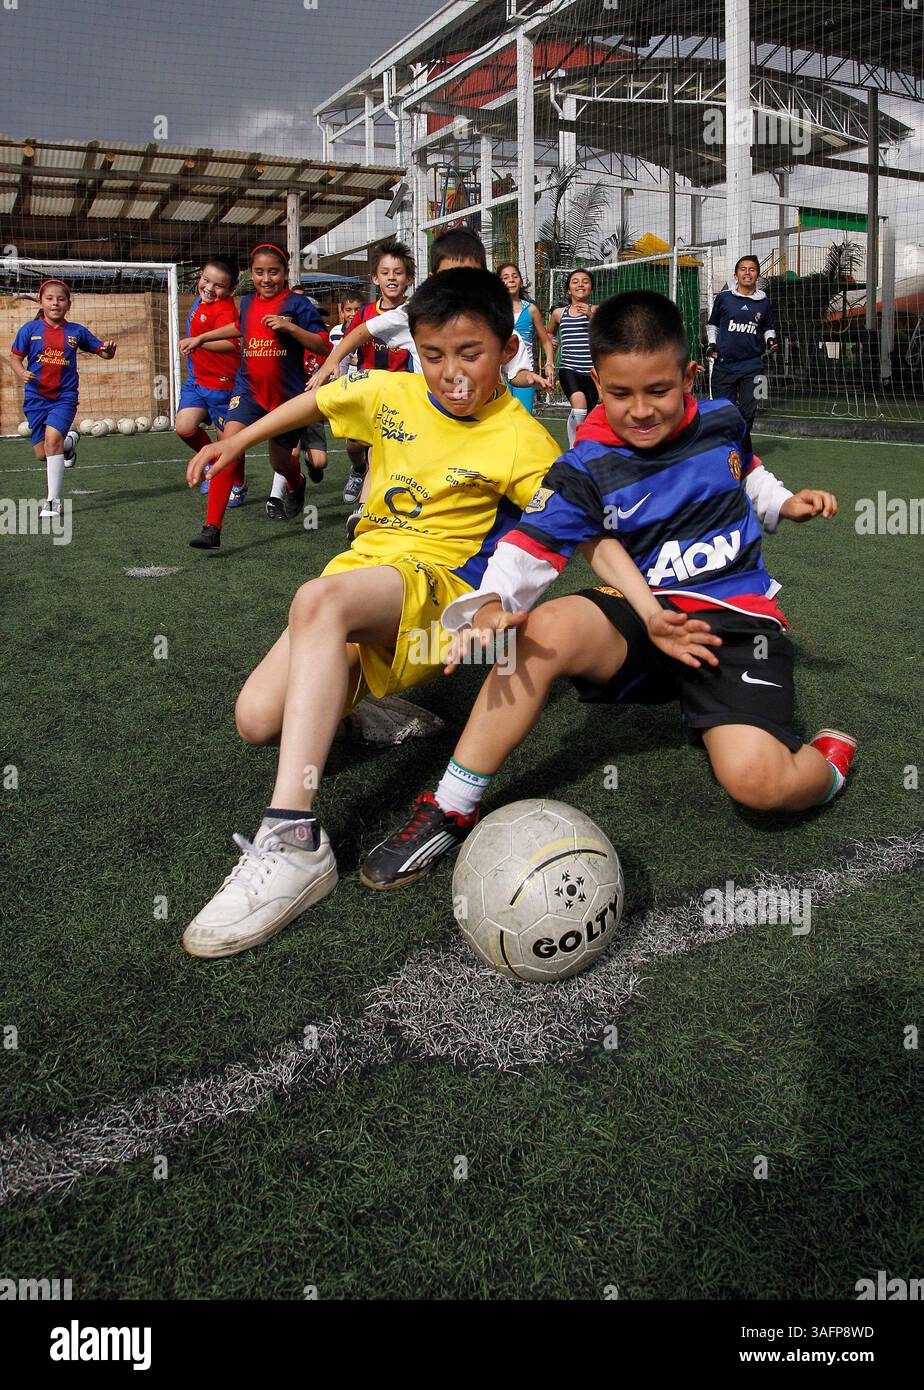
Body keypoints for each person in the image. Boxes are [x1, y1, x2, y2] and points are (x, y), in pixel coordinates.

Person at [361, 289, 856, 890]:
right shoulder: (586, 464)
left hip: (733, 624)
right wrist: (490, 606)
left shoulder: (723, 418)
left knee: (761, 784)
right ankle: (451, 803)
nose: (641, 410)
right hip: (642, 619)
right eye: (620, 393)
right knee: (540, 631)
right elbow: (530, 545)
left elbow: (744, 471)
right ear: (596, 380)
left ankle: (827, 764)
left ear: (689, 376)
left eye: (659, 391)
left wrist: (784, 503)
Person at [179, 268, 563, 958]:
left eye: (469, 354)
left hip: (439, 594)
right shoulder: (392, 392)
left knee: (317, 600)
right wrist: (236, 442)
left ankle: (293, 838)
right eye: (433, 355)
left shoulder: (524, 438)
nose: (449, 373)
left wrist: (504, 606)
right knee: (255, 720)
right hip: (364, 577)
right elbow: (318, 400)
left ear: (508, 350)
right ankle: (369, 707)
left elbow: (557, 526)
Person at [312, 229, 547, 538]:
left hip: (482, 419)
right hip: (430, 416)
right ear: (434, 276)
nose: (459, 286)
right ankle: (369, 510)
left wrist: (529, 377)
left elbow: (513, 365)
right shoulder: (418, 313)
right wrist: (331, 361)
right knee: (391, 451)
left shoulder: (491, 316)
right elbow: (362, 330)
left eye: (470, 276)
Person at [179, 243, 329, 546]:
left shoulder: (298, 306)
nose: (266, 278)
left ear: (285, 273)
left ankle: (296, 482)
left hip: (286, 399)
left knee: (280, 462)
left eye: (273, 272)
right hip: (247, 391)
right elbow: (238, 328)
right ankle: (212, 528)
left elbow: (324, 346)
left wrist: (291, 329)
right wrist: (202, 338)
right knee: (228, 445)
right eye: (260, 272)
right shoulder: (247, 302)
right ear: (252, 275)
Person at [9, 277, 116, 517]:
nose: (55, 303)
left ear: (68, 303)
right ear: (41, 302)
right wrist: (22, 371)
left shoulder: (76, 331)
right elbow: (14, 357)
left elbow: (102, 352)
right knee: (42, 453)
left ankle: (52, 502)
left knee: (51, 440)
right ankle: (69, 443)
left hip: (64, 397)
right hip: (35, 398)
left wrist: (107, 351)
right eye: (50, 299)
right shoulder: (29, 329)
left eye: (61, 299)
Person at [339, 239, 416, 508]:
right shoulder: (365, 313)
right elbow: (347, 350)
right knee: (353, 445)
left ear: (408, 279)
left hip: (400, 391)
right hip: (366, 389)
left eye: (398, 272)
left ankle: (366, 507)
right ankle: (358, 471)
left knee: (379, 447)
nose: (392, 278)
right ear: (375, 278)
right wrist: (340, 380)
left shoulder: (415, 313)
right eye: (385, 273)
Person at [176, 257, 247, 533]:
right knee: (183, 427)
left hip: (222, 384)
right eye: (206, 279)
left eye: (219, 286)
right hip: (197, 381)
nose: (208, 288)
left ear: (230, 290)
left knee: (227, 442)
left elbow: (234, 344)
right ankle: (210, 462)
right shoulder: (199, 301)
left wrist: (200, 342)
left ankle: (238, 484)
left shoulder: (225, 309)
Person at [706, 254, 778, 453]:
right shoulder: (724, 298)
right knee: (723, 412)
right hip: (724, 365)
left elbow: (768, 327)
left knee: (749, 411)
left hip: (753, 366)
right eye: (743, 269)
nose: (747, 273)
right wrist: (712, 345)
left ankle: (741, 451)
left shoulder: (763, 301)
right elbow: (712, 325)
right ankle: (729, 450)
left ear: (758, 275)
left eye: (752, 269)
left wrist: (771, 340)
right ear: (736, 274)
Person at [548, 268, 597, 447]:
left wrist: (591, 315)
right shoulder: (559, 313)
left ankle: (581, 445)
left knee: (584, 413)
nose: (580, 284)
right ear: (569, 289)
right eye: (575, 281)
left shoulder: (597, 311)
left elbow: (608, 331)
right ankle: (573, 449)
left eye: (585, 281)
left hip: (591, 373)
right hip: (569, 369)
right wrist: (551, 341)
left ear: (590, 288)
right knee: (580, 407)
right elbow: (548, 333)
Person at [497, 262, 555, 413]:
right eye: (505, 278)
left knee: (523, 418)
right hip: (498, 375)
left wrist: (549, 364)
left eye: (514, 276)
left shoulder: (531, 310)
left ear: (521, 282)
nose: (511, 280)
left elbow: (546, 341)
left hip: (524, 374)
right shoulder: (494, 310)